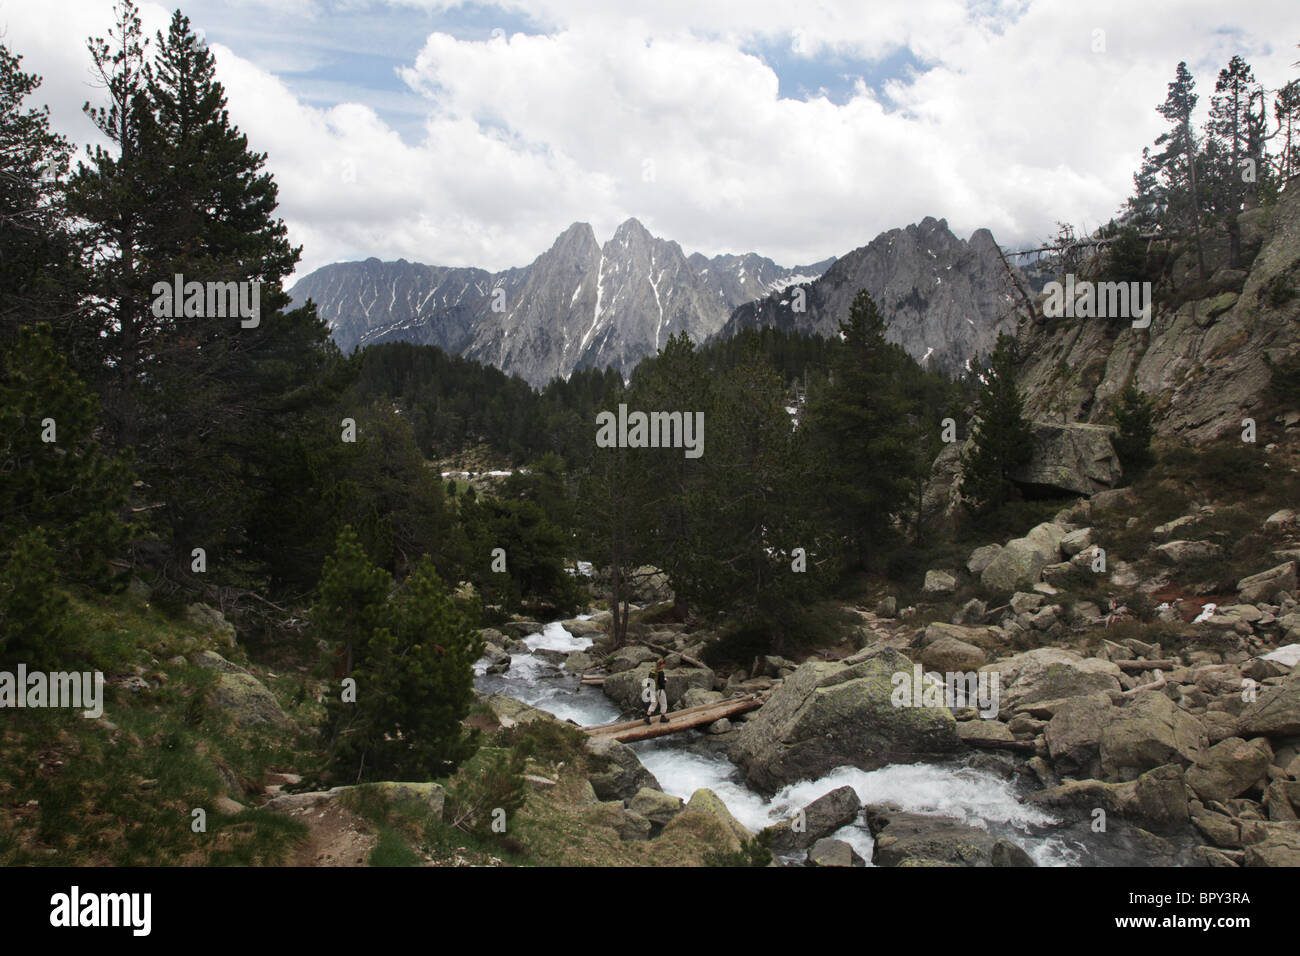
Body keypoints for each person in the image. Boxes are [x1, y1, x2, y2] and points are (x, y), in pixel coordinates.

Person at [644, 658, 669, 725]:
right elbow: (661, 683)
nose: (664, 665)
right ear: (661, 665)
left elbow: (648, 681)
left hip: (652, 690)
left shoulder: (652, 671)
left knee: (653, 704)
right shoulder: (661, 672)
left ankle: (647, 717)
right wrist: (665, 681)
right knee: (663, 703)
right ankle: (663, 717)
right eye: (664, 664)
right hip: (659, 691)